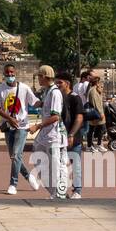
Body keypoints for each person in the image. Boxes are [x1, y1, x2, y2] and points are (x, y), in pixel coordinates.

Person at [0, 63, 40, 195]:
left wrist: (47, 98)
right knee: (14, 157)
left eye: (12, 73)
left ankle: (13, 184)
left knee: (17, 154)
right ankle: (28, 176)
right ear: (4, 74)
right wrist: (10, 119)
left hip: (22, 126)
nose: (10, 75)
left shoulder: (24, 88)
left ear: (15, 73)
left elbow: (34, 102)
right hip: (8, 126)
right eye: (7, 73)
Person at [29, 65, 67, 199]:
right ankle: (54, 192)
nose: (38, 79)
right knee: (39, 159)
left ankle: (58, 193)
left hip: (54, 136)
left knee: (56, 167)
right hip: (47, 135)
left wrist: (38, 126)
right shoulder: (48, 91)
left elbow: (56, 116)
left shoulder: (55, 93)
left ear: (44, 76)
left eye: (39, 76)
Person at [58, 73, 83, 200]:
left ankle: (77, 190)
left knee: (75, 165)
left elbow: (79, 117)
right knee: (60, 165)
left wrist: (71, 134)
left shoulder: (75, 98)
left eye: (60, 82)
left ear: (67, 83)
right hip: (59, 137)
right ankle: (62, 191)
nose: (57, 85)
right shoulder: (58, 97)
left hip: (73, 137)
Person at [85, 72, 106, 152]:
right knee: (96, 129)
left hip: (96, 112)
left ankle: (95, 145)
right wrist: (101, 113)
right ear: (97, 82)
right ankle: (92, 145)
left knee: (94, 129)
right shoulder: (93, 91)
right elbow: (96, 102)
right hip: (96, 113)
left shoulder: (95, 89)